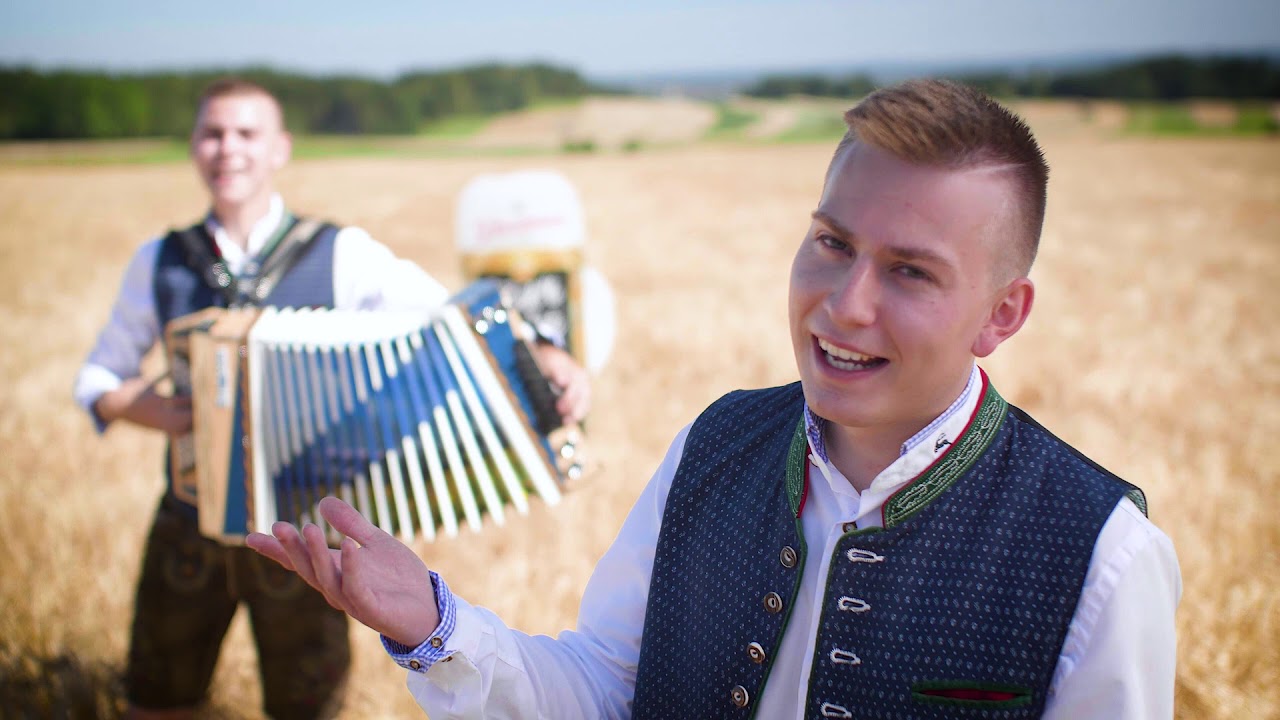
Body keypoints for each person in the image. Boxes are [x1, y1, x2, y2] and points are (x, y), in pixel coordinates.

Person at [247, 79, 1182, 719]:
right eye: (831, 242)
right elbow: (607, 690)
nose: (844, 303)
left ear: (1002, 314)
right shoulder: (716, 442)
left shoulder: (1101, 554)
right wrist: (434, 624)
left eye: (910, 271)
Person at [73, 77, 590, 720]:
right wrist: (139, 408)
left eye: (246, 133)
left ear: (280, 148)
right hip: (189, 522)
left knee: (308, 705)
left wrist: (544, 349)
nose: (228, 148)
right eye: (212, 133)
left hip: (304, 533)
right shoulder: (161, 261)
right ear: (193, 146)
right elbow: (97, 378)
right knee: (160, 698)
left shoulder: (337, 253)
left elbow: (449, 314)